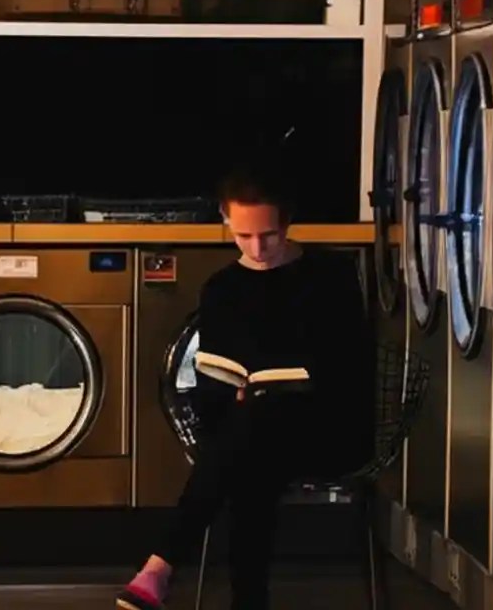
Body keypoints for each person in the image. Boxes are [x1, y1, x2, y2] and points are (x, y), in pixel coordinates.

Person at [117, 157, 376, 610]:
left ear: (288, 221)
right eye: (243, 236)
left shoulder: (330, 275)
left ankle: (161, 565)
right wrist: (231, 395)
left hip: (329, 431)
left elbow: (352, 372)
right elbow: (209, 387)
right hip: (253, 434)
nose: (257, 248)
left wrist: (291, 387)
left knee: (249, 443)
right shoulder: (222, 289)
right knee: (252, 448)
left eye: (268, 235)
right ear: (225, 220)